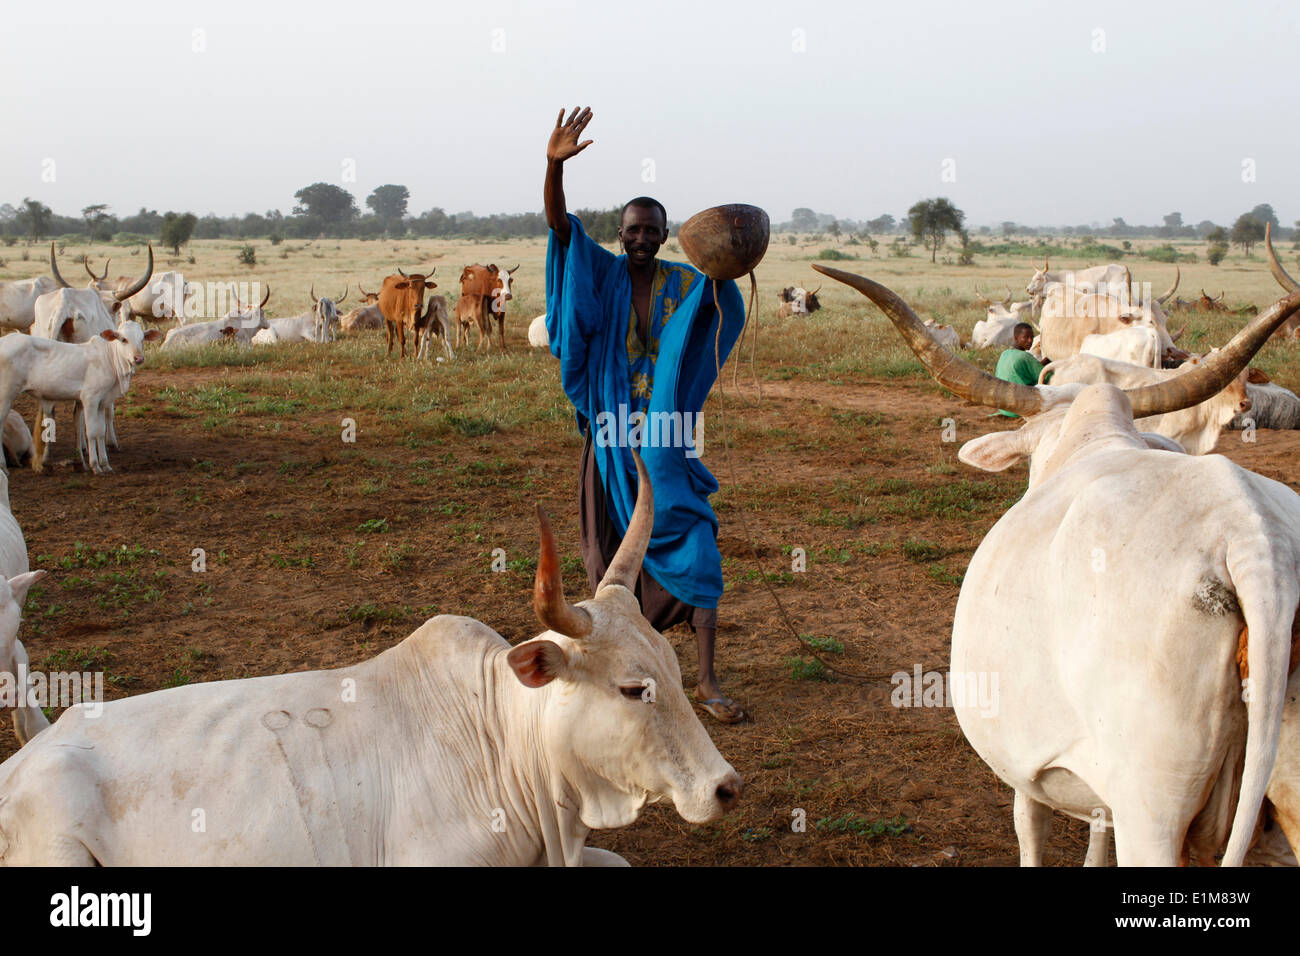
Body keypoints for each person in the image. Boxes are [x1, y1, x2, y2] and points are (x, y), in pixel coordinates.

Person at [543, 106, 747, 723]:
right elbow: (560, 229)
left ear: (664, 235)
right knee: (610, 560)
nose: (639, 239)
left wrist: (731, 267)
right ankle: (614, 661)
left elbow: (721, 290)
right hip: (609, 439)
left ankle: (707, 681)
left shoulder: (684, 283)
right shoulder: (601, 274)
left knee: (697, 542)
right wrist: (553, 169)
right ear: (621, 233)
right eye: (631, 229)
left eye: (650, 231)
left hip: (664, 441)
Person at [994, 323, 1045, 417]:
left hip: (1003, 407)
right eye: (1025, 337)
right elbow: (1045, 376)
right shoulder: (1025, 356)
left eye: (1032, 337)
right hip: (1018, 409)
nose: (1030, 341)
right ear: (1016, 338)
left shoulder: (1005, 353)